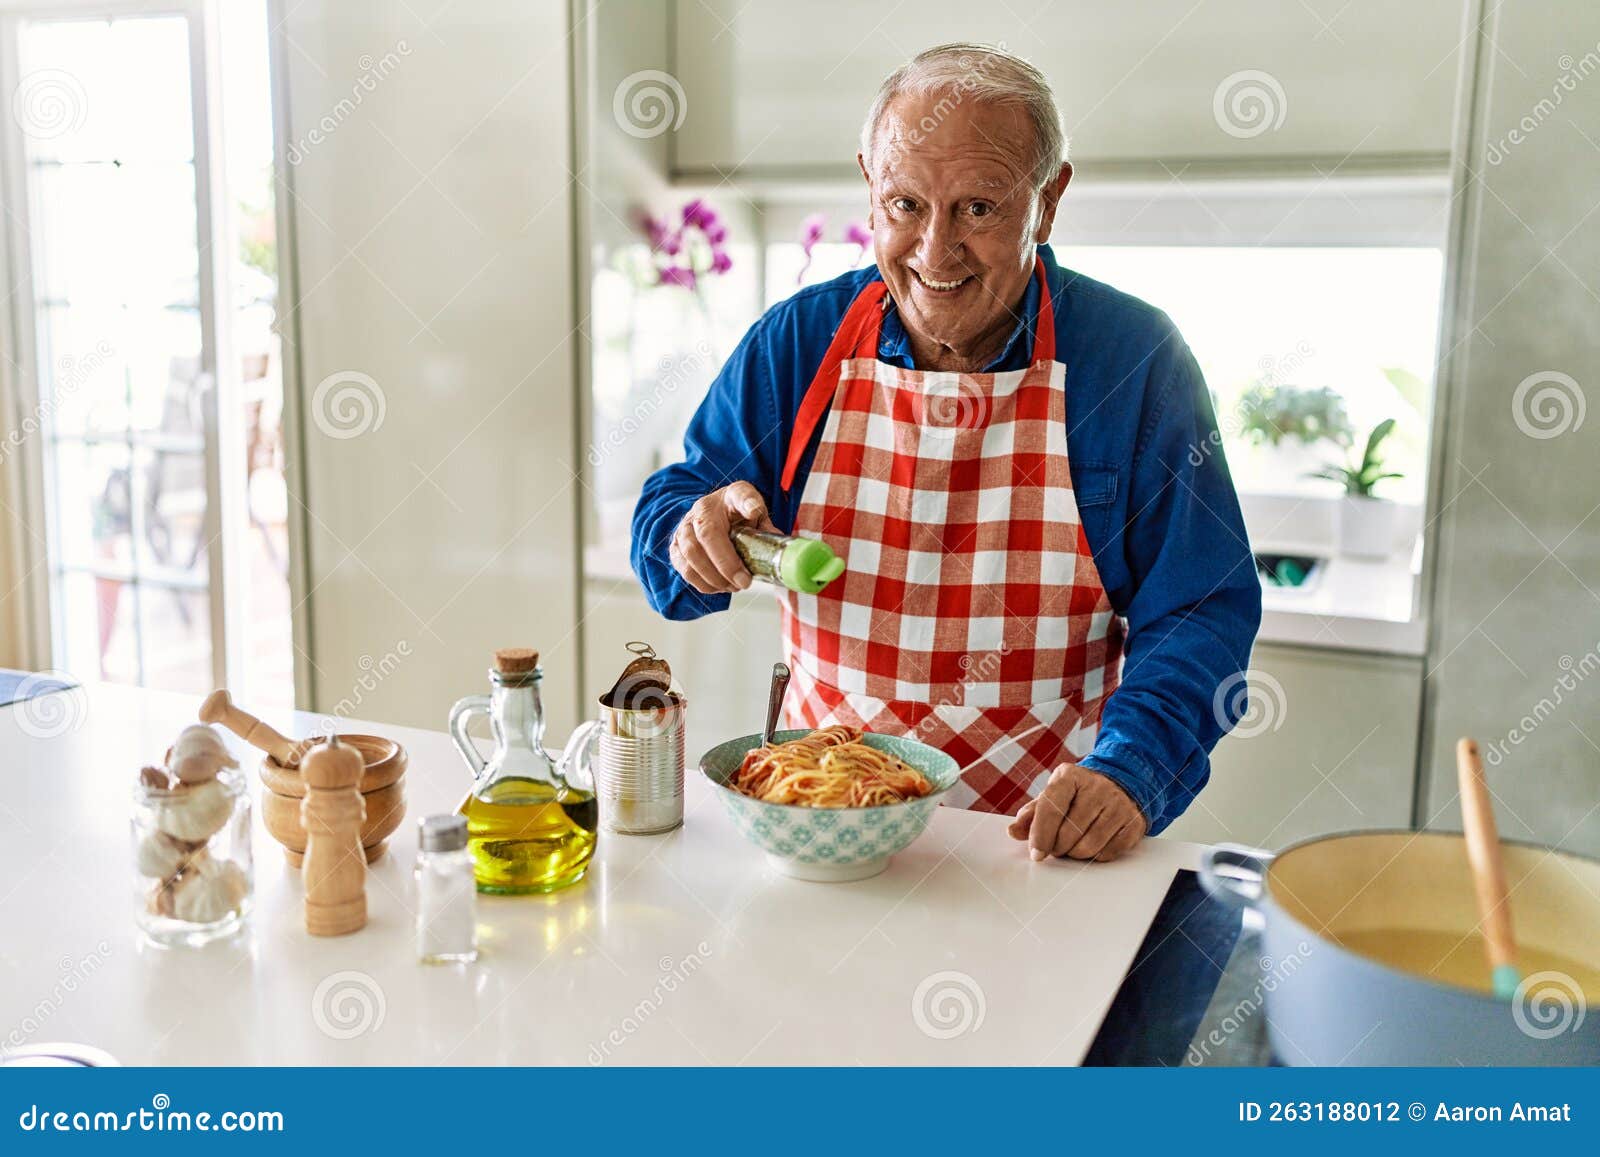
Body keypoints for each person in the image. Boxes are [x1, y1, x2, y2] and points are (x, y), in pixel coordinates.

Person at [631, 44, 1261, 863]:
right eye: (904, 205)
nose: (934, 253)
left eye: (977, 209)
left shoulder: (1133, 362)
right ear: (868, 186)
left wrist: (1131, 772)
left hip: (1039, 847)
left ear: (1049, 199)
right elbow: (670, 517)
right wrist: (689, 532)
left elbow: (1201, 607)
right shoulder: (796, 345)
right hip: (824, 832)